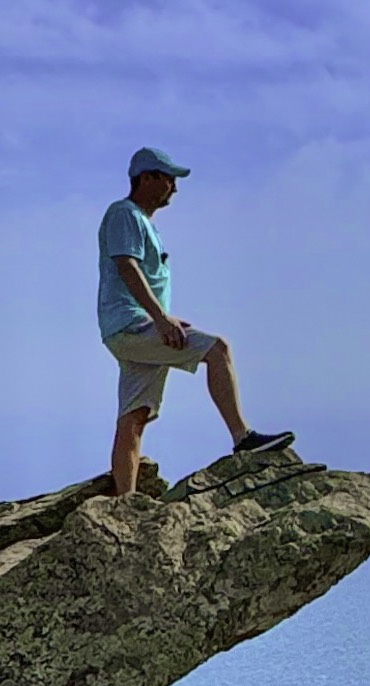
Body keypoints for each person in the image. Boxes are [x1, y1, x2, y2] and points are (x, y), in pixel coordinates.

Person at [98, 146, 292, 496]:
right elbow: (127, 265)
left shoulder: (141, 221)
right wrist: (160, 319)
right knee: (217, 349)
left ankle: (123, 501)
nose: (174, 187)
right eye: (168, 178)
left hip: (127, 329)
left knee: (134, 415)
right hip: (133, 324)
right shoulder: (125, 213)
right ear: (147, 178)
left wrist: (161, 319)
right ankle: (242, 438)